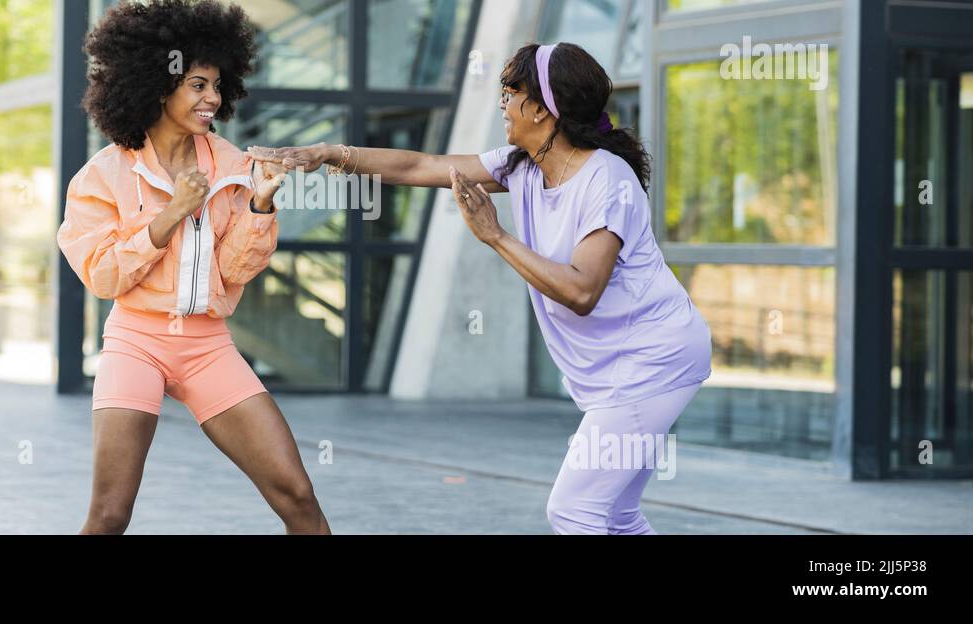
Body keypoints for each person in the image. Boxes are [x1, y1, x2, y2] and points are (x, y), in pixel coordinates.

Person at [248, 42, 712, 535]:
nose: (503, 105)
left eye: (510, 93)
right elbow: (420, 166)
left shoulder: (607, 180)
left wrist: (495, 235)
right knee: (615, 515)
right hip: (625, 365)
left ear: (542, 107)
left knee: (574, 511)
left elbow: (582, 291)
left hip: (653, 359)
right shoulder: (524, 165)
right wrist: (329, 154)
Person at [58, 0, 330, 535]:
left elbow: (233, 272)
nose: (212, 98)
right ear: (157, 86)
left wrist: (259, 203)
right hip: (136, 340)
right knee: (110, 514)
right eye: (197, 85)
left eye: (217, 86)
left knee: (297, 494)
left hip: (208, 346)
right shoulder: (103, 176)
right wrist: (170, 215)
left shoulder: (233, 166)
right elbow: (103, 275)